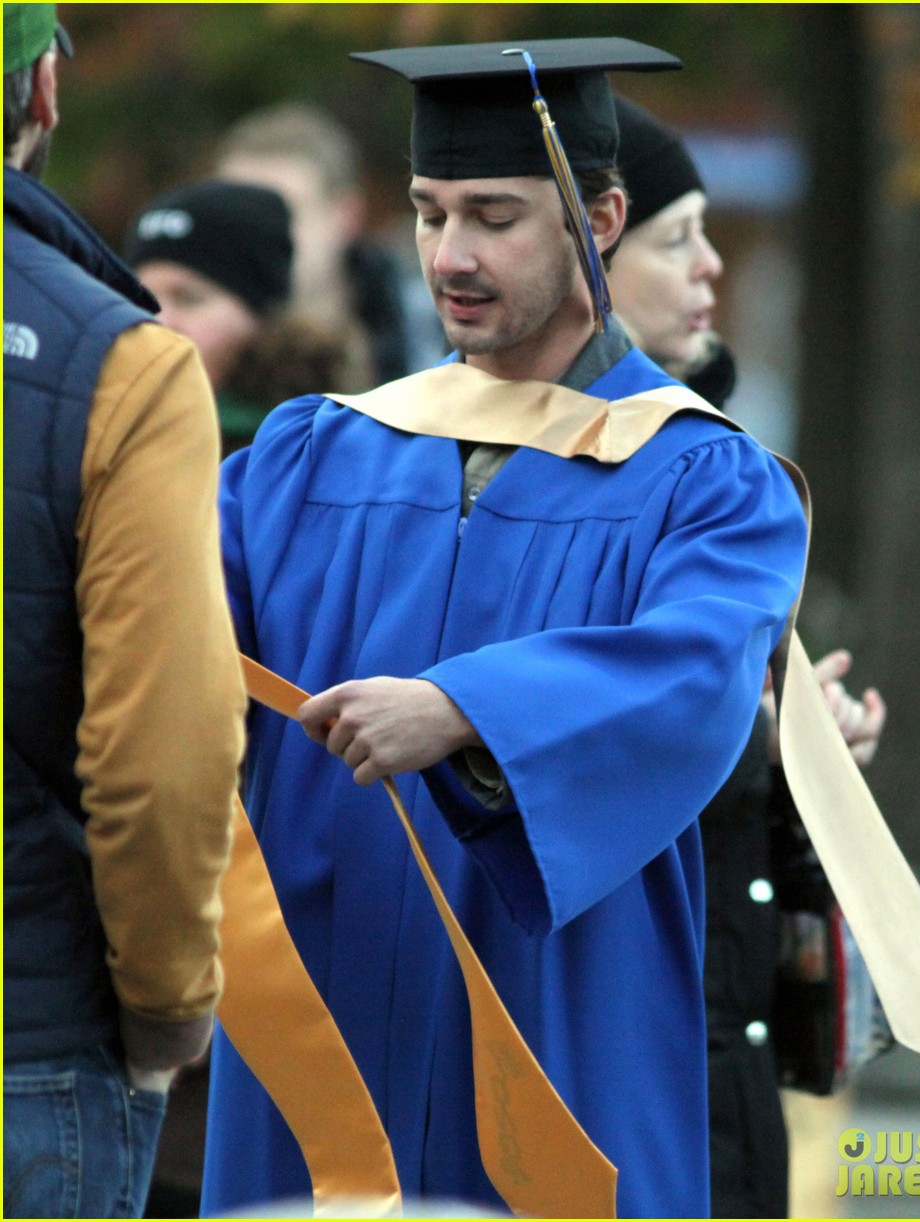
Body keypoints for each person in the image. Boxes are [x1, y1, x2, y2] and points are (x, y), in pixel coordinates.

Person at [200, 38, 809, 1220]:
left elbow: (693, 673)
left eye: (493, 215)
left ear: (601, 217)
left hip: (562, 1022)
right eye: (429, 214)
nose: (449, 255)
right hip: (316, 1023)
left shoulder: (706, 480)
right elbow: (158, 638)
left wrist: (468, 709)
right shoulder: (314, 453)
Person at [609, 94, 888, 1217]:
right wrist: (753, 739)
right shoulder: (569, 482)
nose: (711, 266)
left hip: (730, 1037)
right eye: (676, 239)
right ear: (588, 249)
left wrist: (799, 746)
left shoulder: (714, 461)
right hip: (634, 1052)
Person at [3, 5, 247, 1219]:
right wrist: (167, 1004)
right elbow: (161, 755)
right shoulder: (121, 363)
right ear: (43, 88)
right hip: (29, 1043)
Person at [123, 178, 368, 458]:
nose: (158, 322)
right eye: (140, 298)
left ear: (262, 317)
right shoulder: (104, 431)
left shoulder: (324, 448)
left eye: (188, 299)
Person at [213, 101, 443, 384]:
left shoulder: (430, 327)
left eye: (279, 213)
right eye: (235, 215)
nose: (254, 235)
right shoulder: (194, 341)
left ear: (346, 215)